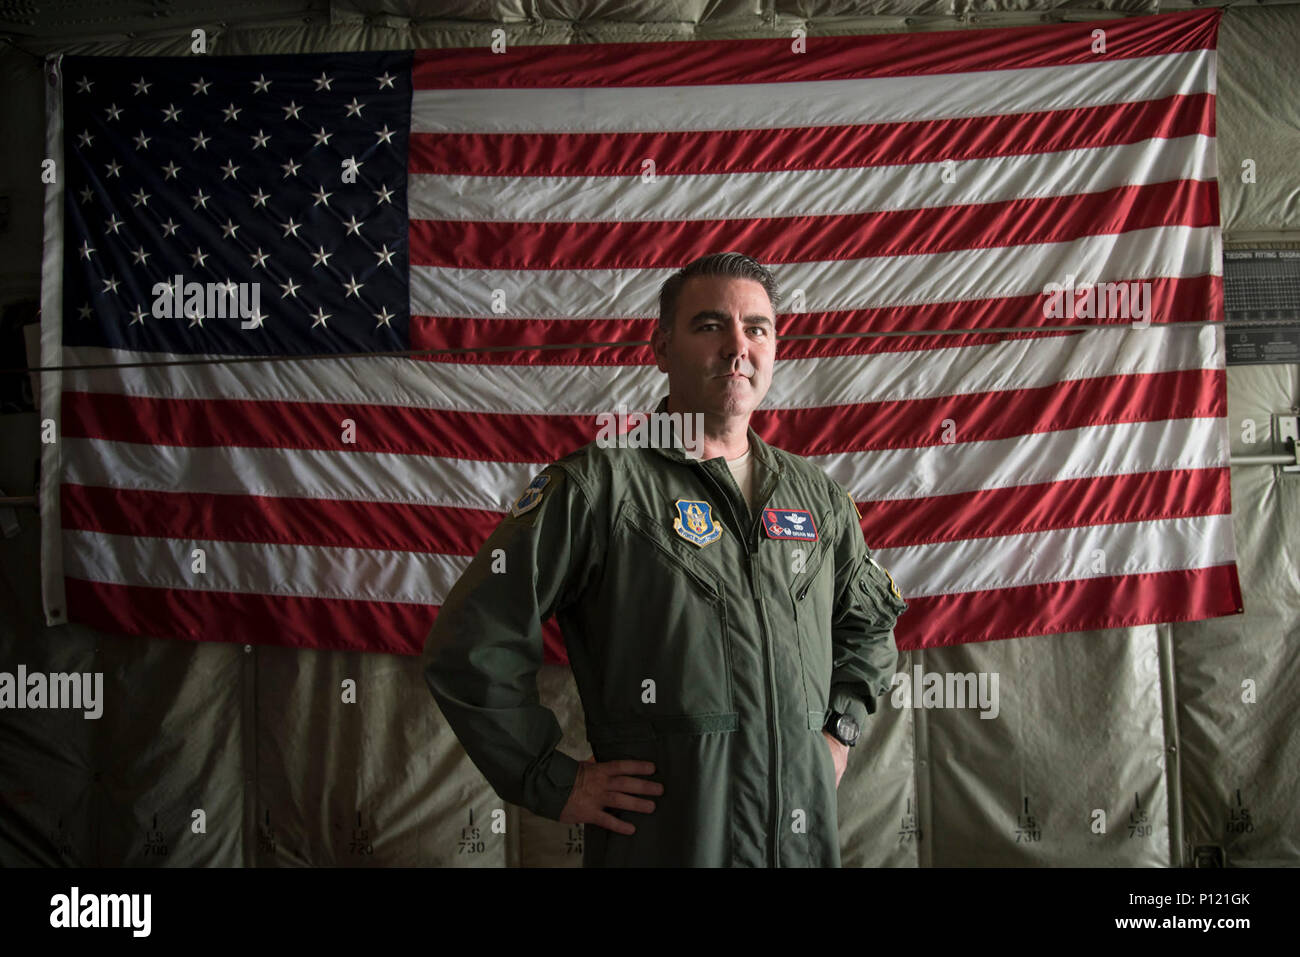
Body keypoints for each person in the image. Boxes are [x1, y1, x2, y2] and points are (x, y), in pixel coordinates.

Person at [422, 251, 908, 866]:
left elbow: (870, 623)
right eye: (710, 326)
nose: (737, 347)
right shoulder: (600, 487)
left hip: (798, 842)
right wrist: (550, 777)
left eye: (756, 328)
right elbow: (471, 641)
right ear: (661, 349)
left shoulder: (818, 497)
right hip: (667, 840)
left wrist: (839, 730)